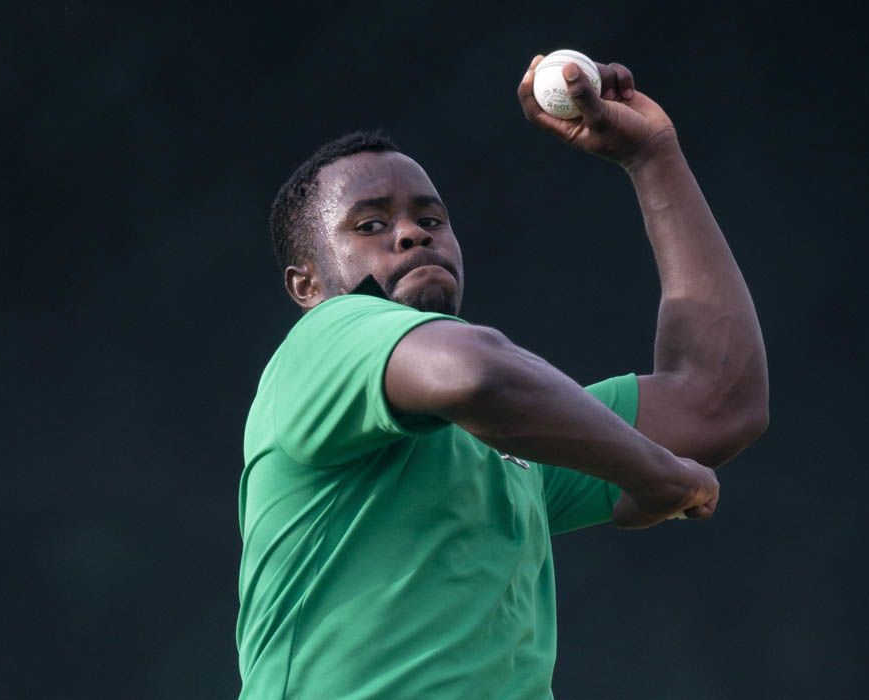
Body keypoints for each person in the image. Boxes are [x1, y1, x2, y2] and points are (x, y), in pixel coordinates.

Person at [236, 55, 768, 699]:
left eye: (431, 220)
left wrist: (654, 159)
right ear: (307, 285)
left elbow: (717, 401)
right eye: (371, 225)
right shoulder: (324, 340)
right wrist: (652, 472)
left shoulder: (515, 443)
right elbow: (476, 373)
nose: (411, 234)